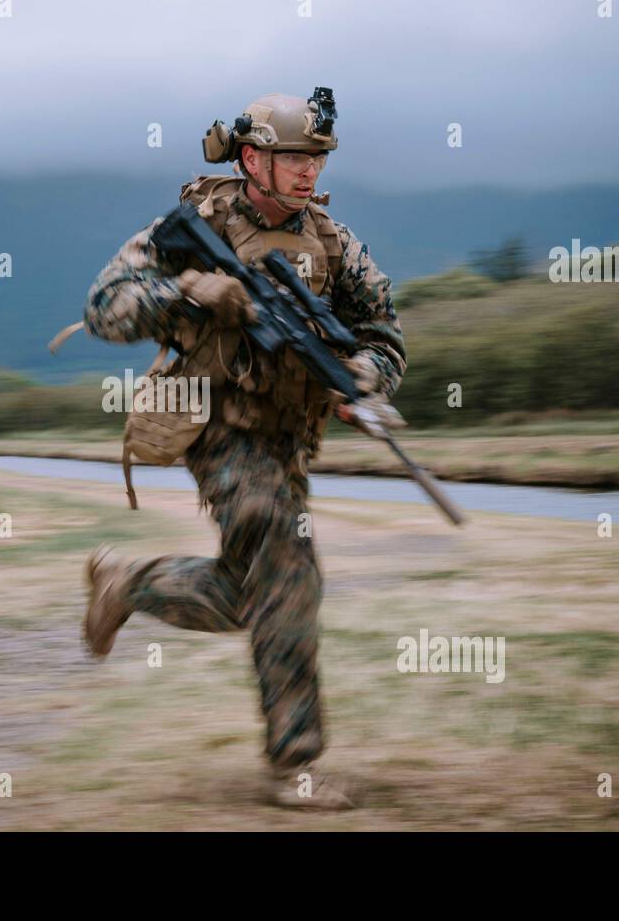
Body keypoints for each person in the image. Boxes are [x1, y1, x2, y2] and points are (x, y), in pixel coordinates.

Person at [80, 90, 407, 809]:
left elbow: (385, 333)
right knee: (290, 569)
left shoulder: (334, 244)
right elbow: (102, 308)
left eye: (316, 158)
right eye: (293, 157)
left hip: (290, 439)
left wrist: (364, 377)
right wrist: (189, 293)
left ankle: (129, 585)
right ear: (252, 158)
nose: (307, 171)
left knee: (255, 593)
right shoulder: (198, 224)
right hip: (218, 428)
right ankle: (297, 765)